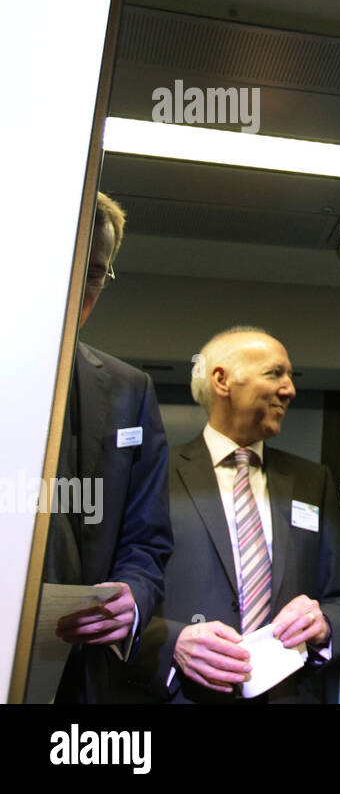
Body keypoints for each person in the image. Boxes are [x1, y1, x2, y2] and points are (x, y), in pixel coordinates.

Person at [121, 327, 340, 703]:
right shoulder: (153, 475)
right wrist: (174, 643)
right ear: (222, 380)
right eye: (275, 373)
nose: (290, 389)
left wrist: (324, 624)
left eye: (291, 377)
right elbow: (114, 603)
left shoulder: (314, 481)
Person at [46, 191, 172, 703]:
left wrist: (133, 597)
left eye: (95, 274)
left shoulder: (129, 390)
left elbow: (146, 542)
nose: (79, 289)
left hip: (74, 677)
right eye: (68, 265)